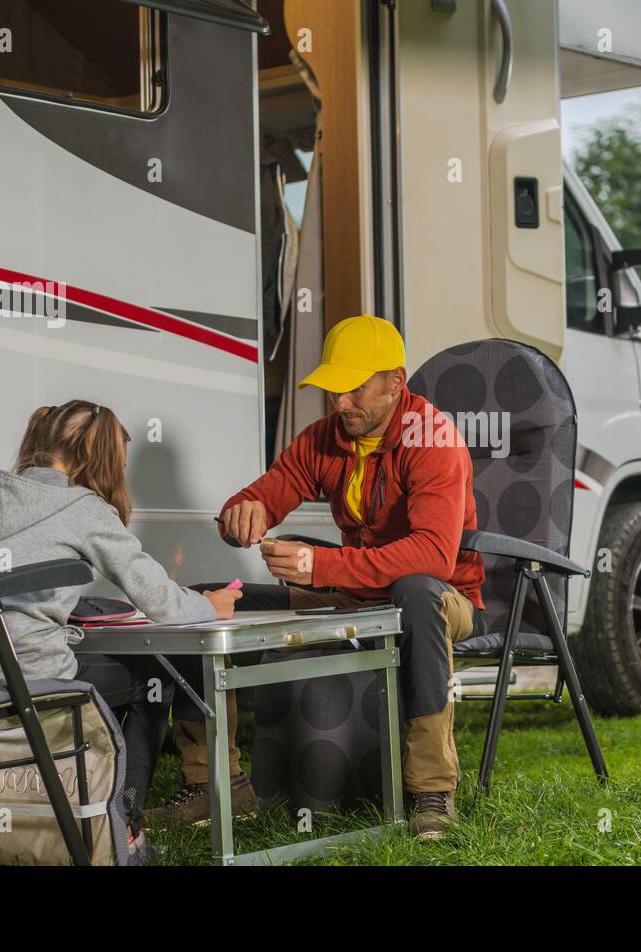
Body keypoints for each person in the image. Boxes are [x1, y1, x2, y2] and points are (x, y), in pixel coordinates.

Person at [153, 315, 485, 840]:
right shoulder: (326, 438)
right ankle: (215, 783)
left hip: (445, 599)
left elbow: (433, 556)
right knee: (201, 602)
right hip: (354, 591)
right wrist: (243, 513)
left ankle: (431, 791)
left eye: (353, 388)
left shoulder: (433, 437)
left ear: (395, 382)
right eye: (333, 389)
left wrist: (319, 565)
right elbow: (269, 490)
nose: (340, 403)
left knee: (416, 592)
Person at [0, 400, 238, 861]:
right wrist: (210, 605)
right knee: (155, 676)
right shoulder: (84, 507)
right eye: (118, 461)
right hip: (32, 678)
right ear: (95, 456)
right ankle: (123, 826)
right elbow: (160, 600)